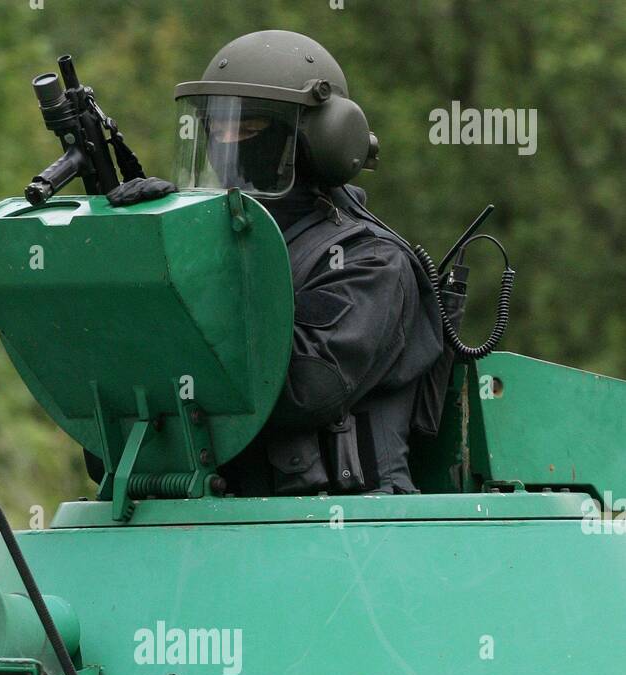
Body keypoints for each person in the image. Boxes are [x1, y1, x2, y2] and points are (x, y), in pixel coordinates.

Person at [170, 29, 446, 496]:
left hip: (354, 534)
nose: (228, 147)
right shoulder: (212, 248)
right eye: (217, 129)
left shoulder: (372, 263)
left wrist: (183, 302)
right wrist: (147, 249)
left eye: (250, 129)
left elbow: (302, 385)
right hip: (223, 522)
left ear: (325, 140)